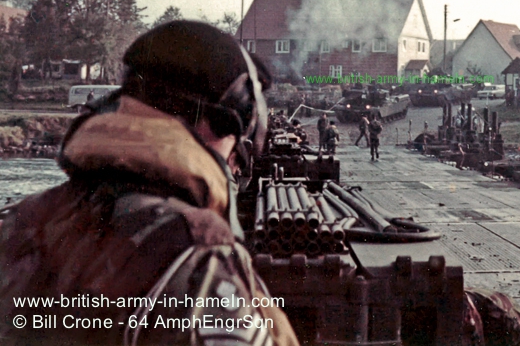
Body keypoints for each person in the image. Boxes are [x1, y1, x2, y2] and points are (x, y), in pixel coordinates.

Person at [0, 21, 299, 346]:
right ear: (219, 122)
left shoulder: (18, 222)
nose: (235, 163)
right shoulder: (196, 260)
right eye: (237, 143)